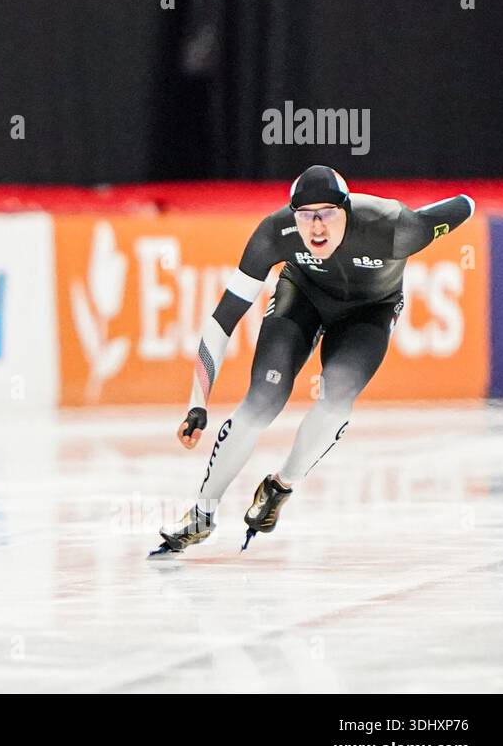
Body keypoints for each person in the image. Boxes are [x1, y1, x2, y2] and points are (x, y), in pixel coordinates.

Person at [152, 166, 476, 556]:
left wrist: (467, 202)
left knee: (338, 395)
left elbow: (462, 206)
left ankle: (280, 486)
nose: (316, 227)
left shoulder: (395, 227)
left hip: (370, 311)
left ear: (348, 210)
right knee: (262, 399)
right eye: (305, 216)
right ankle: (201, 515)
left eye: (326, 214)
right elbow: (223, 320)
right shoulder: (276, 232)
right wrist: (197, 402)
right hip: (302, 297)